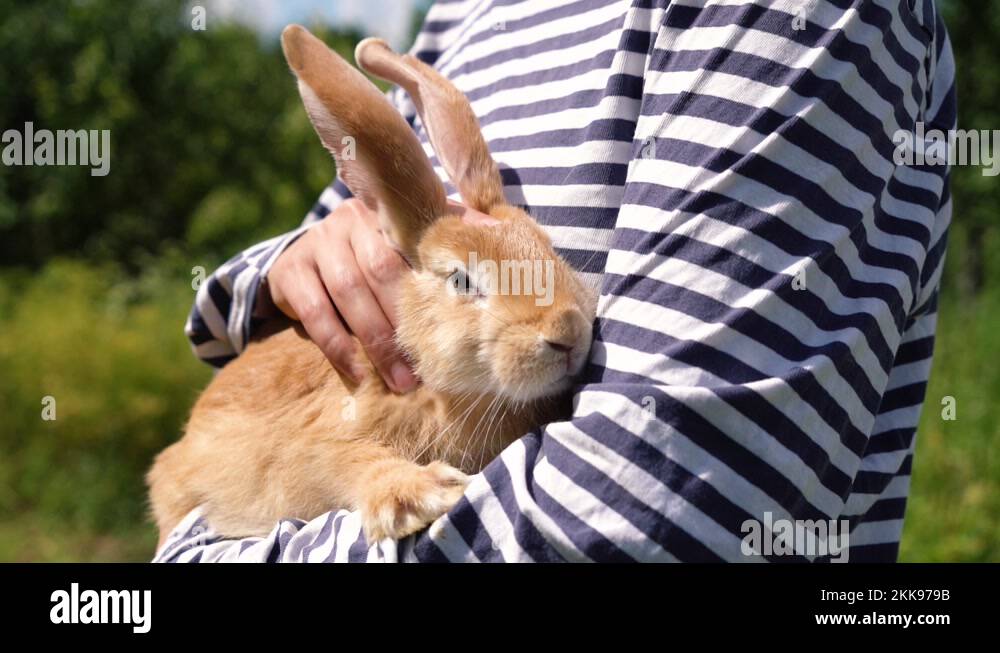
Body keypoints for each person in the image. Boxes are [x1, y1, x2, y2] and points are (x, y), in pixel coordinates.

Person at [156, 0, 955, 562]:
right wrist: (295, 260)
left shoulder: (789, 19)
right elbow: (283, 296)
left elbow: (655, 517)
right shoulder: (464, 13)